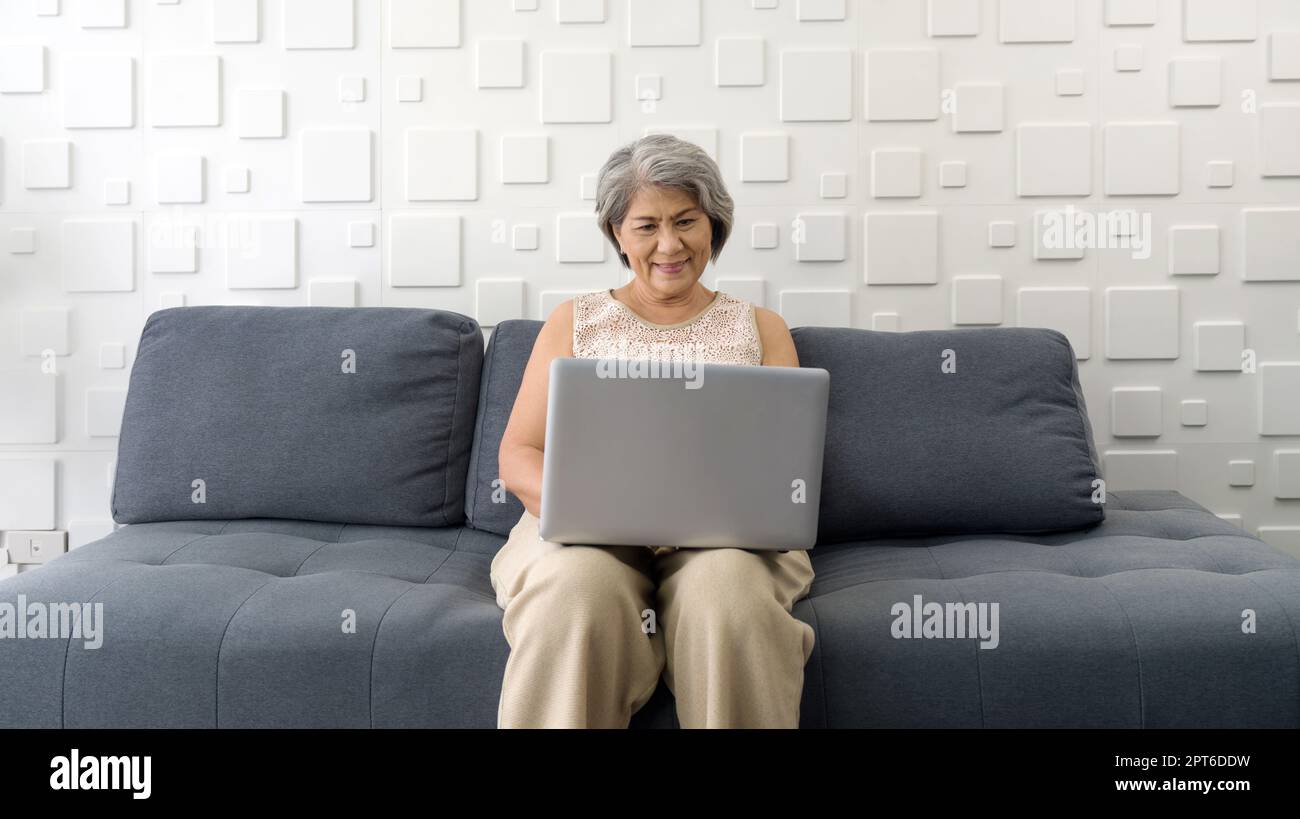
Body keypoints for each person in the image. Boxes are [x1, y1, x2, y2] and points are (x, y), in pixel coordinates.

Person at [491, 134, 816, 729]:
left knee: (728, 596)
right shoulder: (574, 322)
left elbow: (786, 464)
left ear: (714, 225)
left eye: (687, 221)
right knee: (573, 592)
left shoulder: (761, 327)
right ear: (617, 233)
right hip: (586, 539)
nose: (670, 244)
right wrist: (585, 507)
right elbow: (518, 453)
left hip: (728, 543)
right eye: (646, 226)